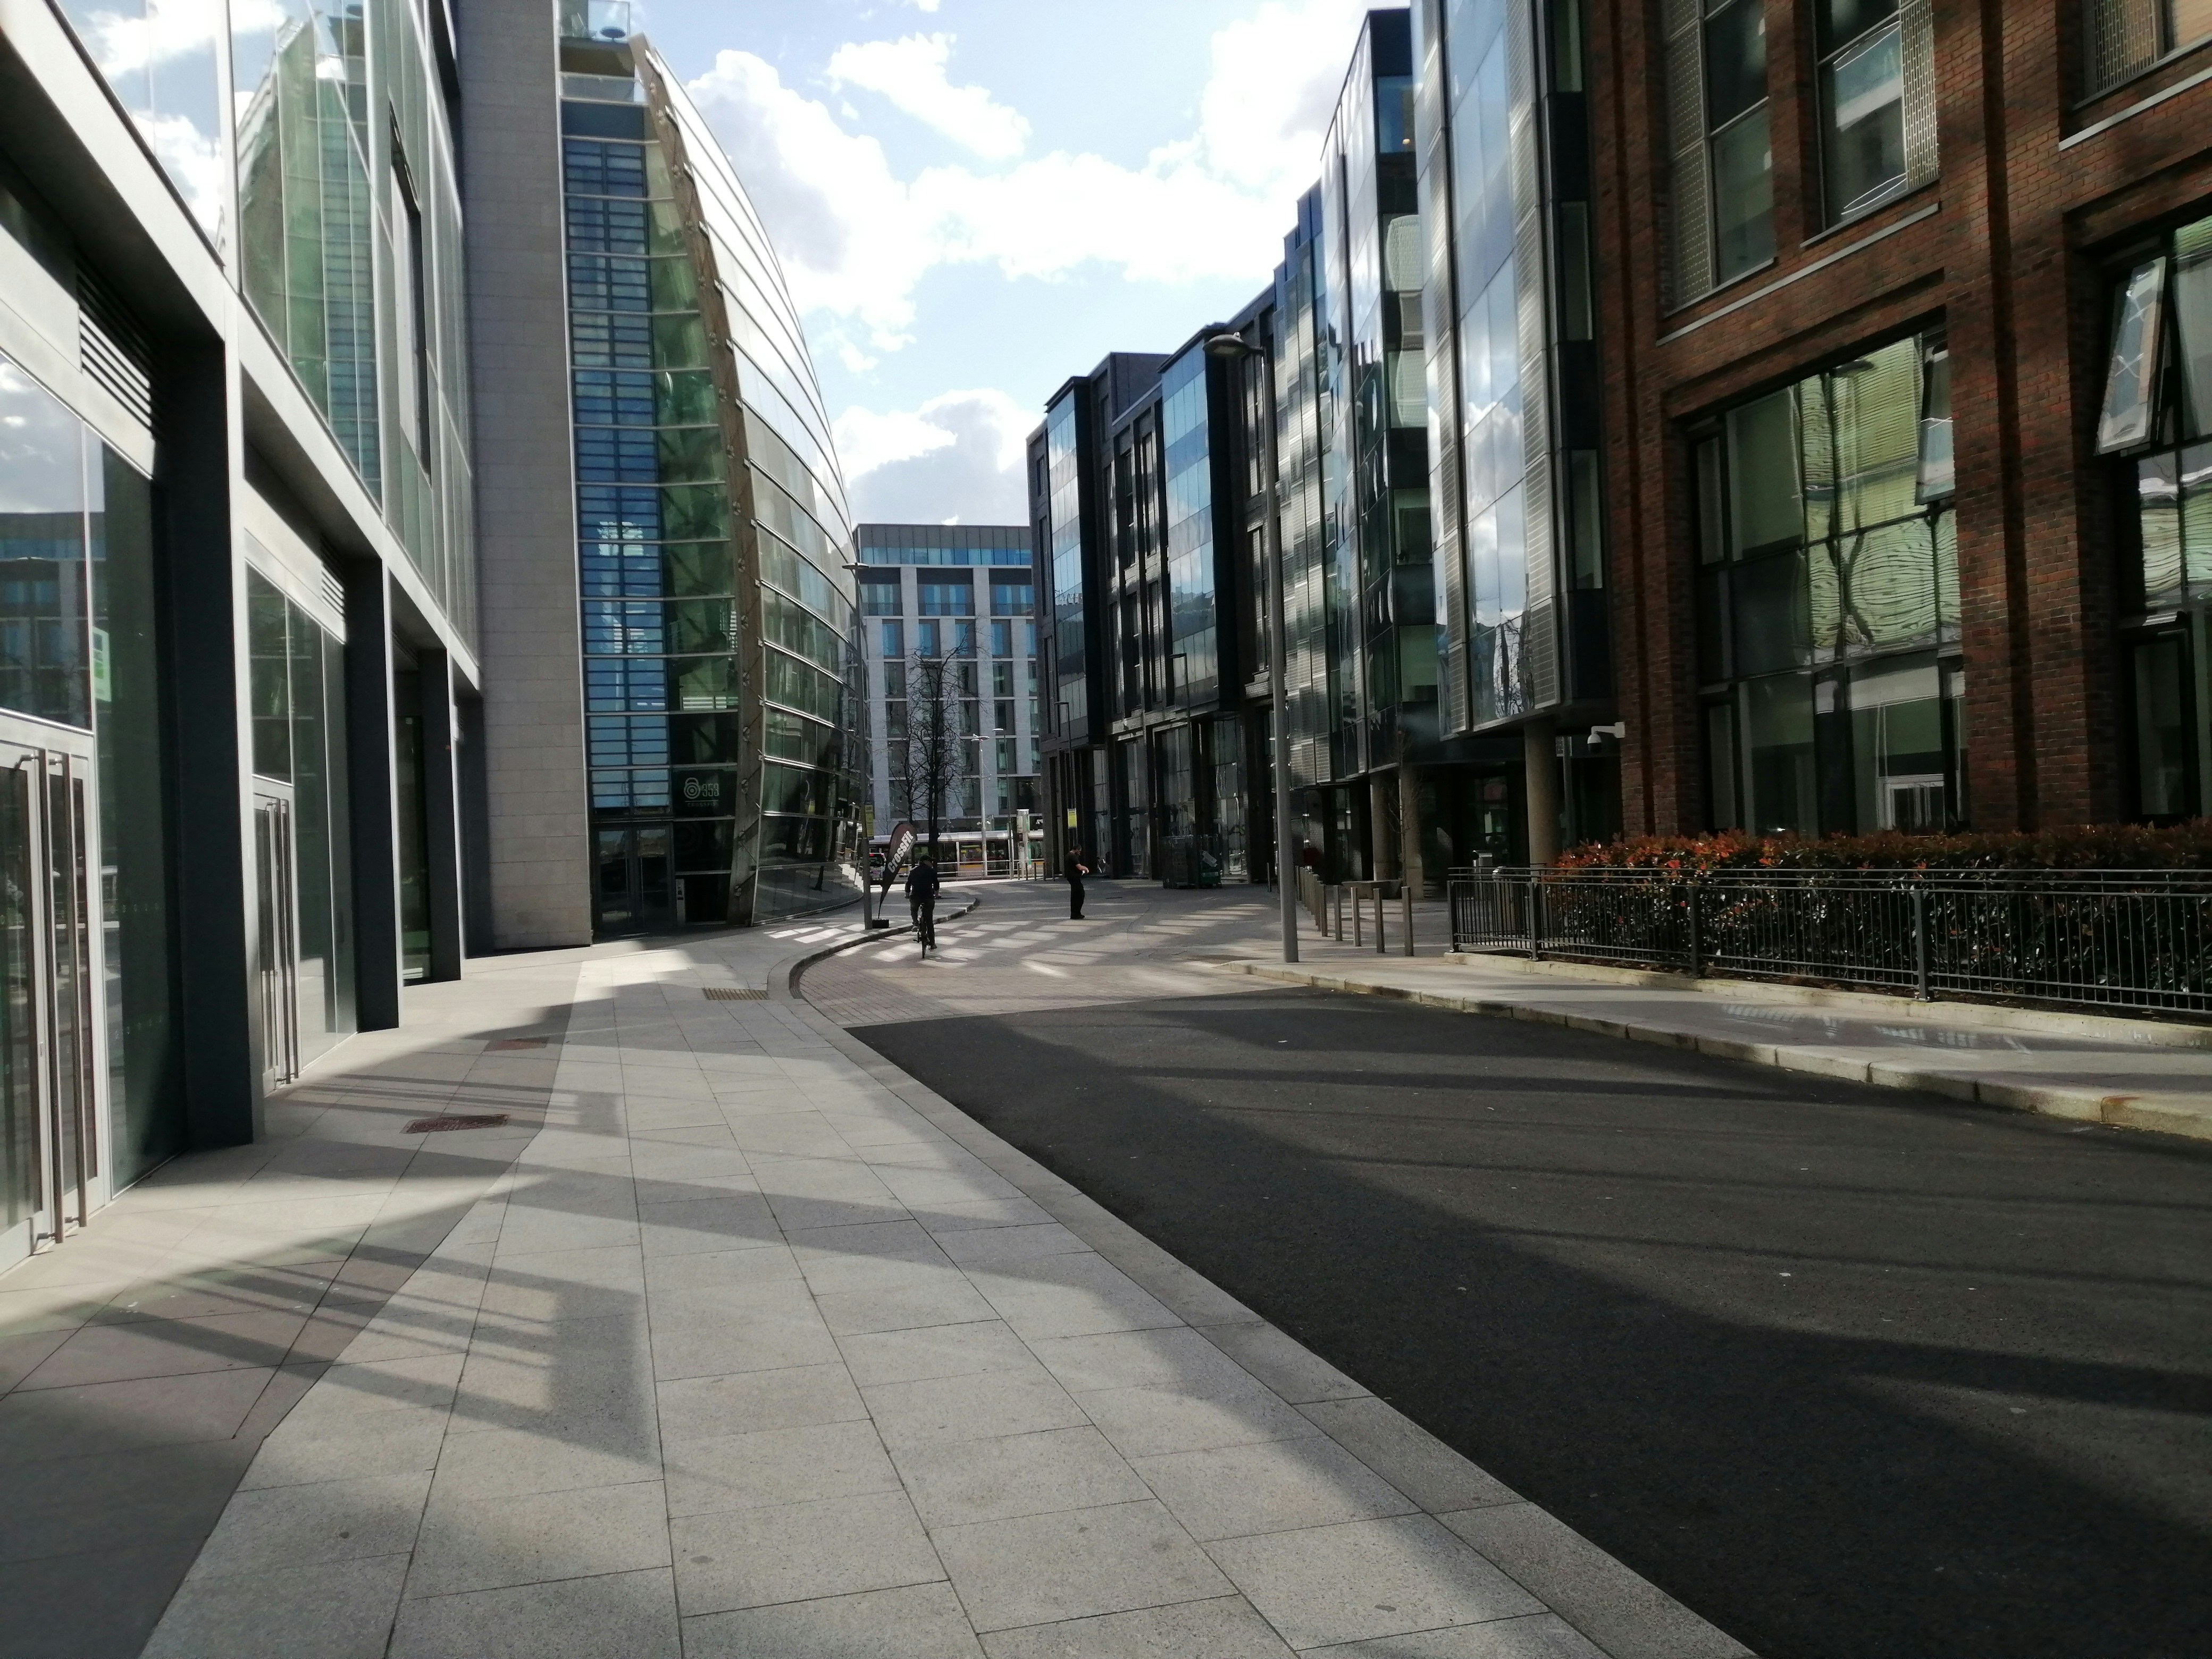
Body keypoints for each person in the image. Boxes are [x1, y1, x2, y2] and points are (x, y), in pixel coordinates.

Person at [905, 852, 942, 950]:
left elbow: (908, 884)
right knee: (929, 921)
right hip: (928, 897)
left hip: (915, 897)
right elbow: (936, 884)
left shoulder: (913, 871)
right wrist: (936, 894)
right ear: (925, 862)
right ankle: (932, 944)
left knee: (913, 909)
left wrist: (907, 894)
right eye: (930, 861)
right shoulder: (931, 871)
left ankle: (915, 924)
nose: (932, 863)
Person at [1063, 845, 1090, 920]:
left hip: (1072, 878)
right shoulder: (1073, 857)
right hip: (1075, 878)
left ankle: (1075, 913)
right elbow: (1080, 867)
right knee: (1079, 895)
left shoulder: (1068, 855)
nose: (1080, 853)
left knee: (1075, 895)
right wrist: (1086, 869)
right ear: (1077, 850)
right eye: (1080, 851)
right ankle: (1076, 913)